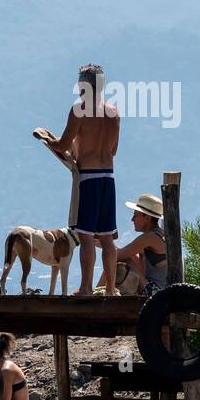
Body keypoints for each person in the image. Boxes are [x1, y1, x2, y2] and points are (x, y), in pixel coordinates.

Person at [35, 64, 121, 295]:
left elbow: (63, 145)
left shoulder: (79, 110)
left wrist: (47, 140)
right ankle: (111, 289)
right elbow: (113, 149)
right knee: (106, 238)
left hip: (89, 177)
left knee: (85, 235)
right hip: (108, 176)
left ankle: (85, 287)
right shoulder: (113, 112)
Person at [107, 193, 169, 296]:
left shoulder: (150, 237)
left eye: (135, 215)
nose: (132, 219)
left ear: (147, 218)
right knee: (128, 257)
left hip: (157, 294)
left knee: (114, 258)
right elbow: (125, 252)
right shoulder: (158, 235)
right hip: (158, 291)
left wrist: (107, 245)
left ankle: (98, 291)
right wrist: (107, 246)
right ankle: (101, 290)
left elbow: (118, 255)